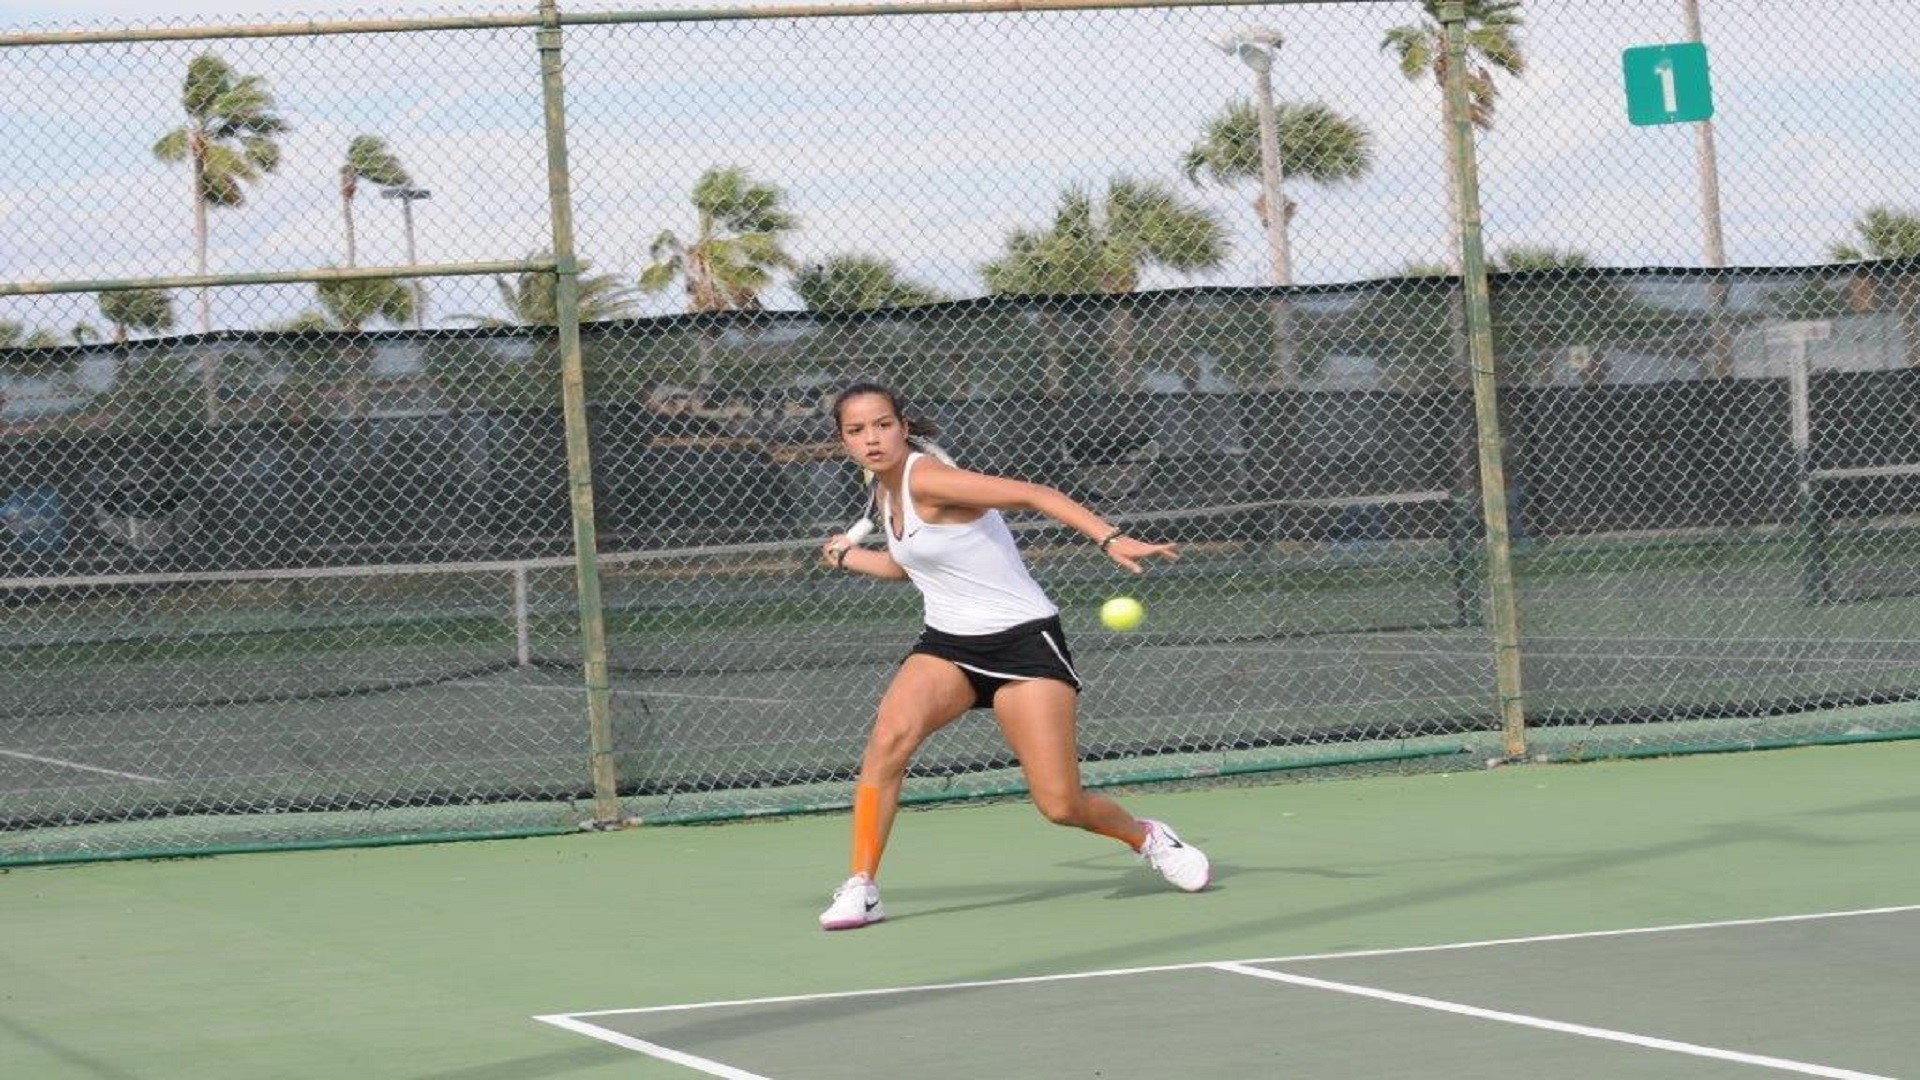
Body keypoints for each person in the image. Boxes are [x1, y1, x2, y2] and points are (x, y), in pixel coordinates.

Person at [815, 382, 1210, 931]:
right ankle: (862, 886)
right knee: (886, 745)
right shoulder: (883, 491)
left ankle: (1147, 837)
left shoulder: (928, 478)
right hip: (948, 645)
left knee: (1061, 805)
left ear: (903, 428)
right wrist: (850, 558)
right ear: (843, 441)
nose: (872, 438)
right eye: (857, 430)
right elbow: (912, 568)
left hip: (1023, 642)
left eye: (882, 424)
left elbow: (1035, 494)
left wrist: (1108, 537)